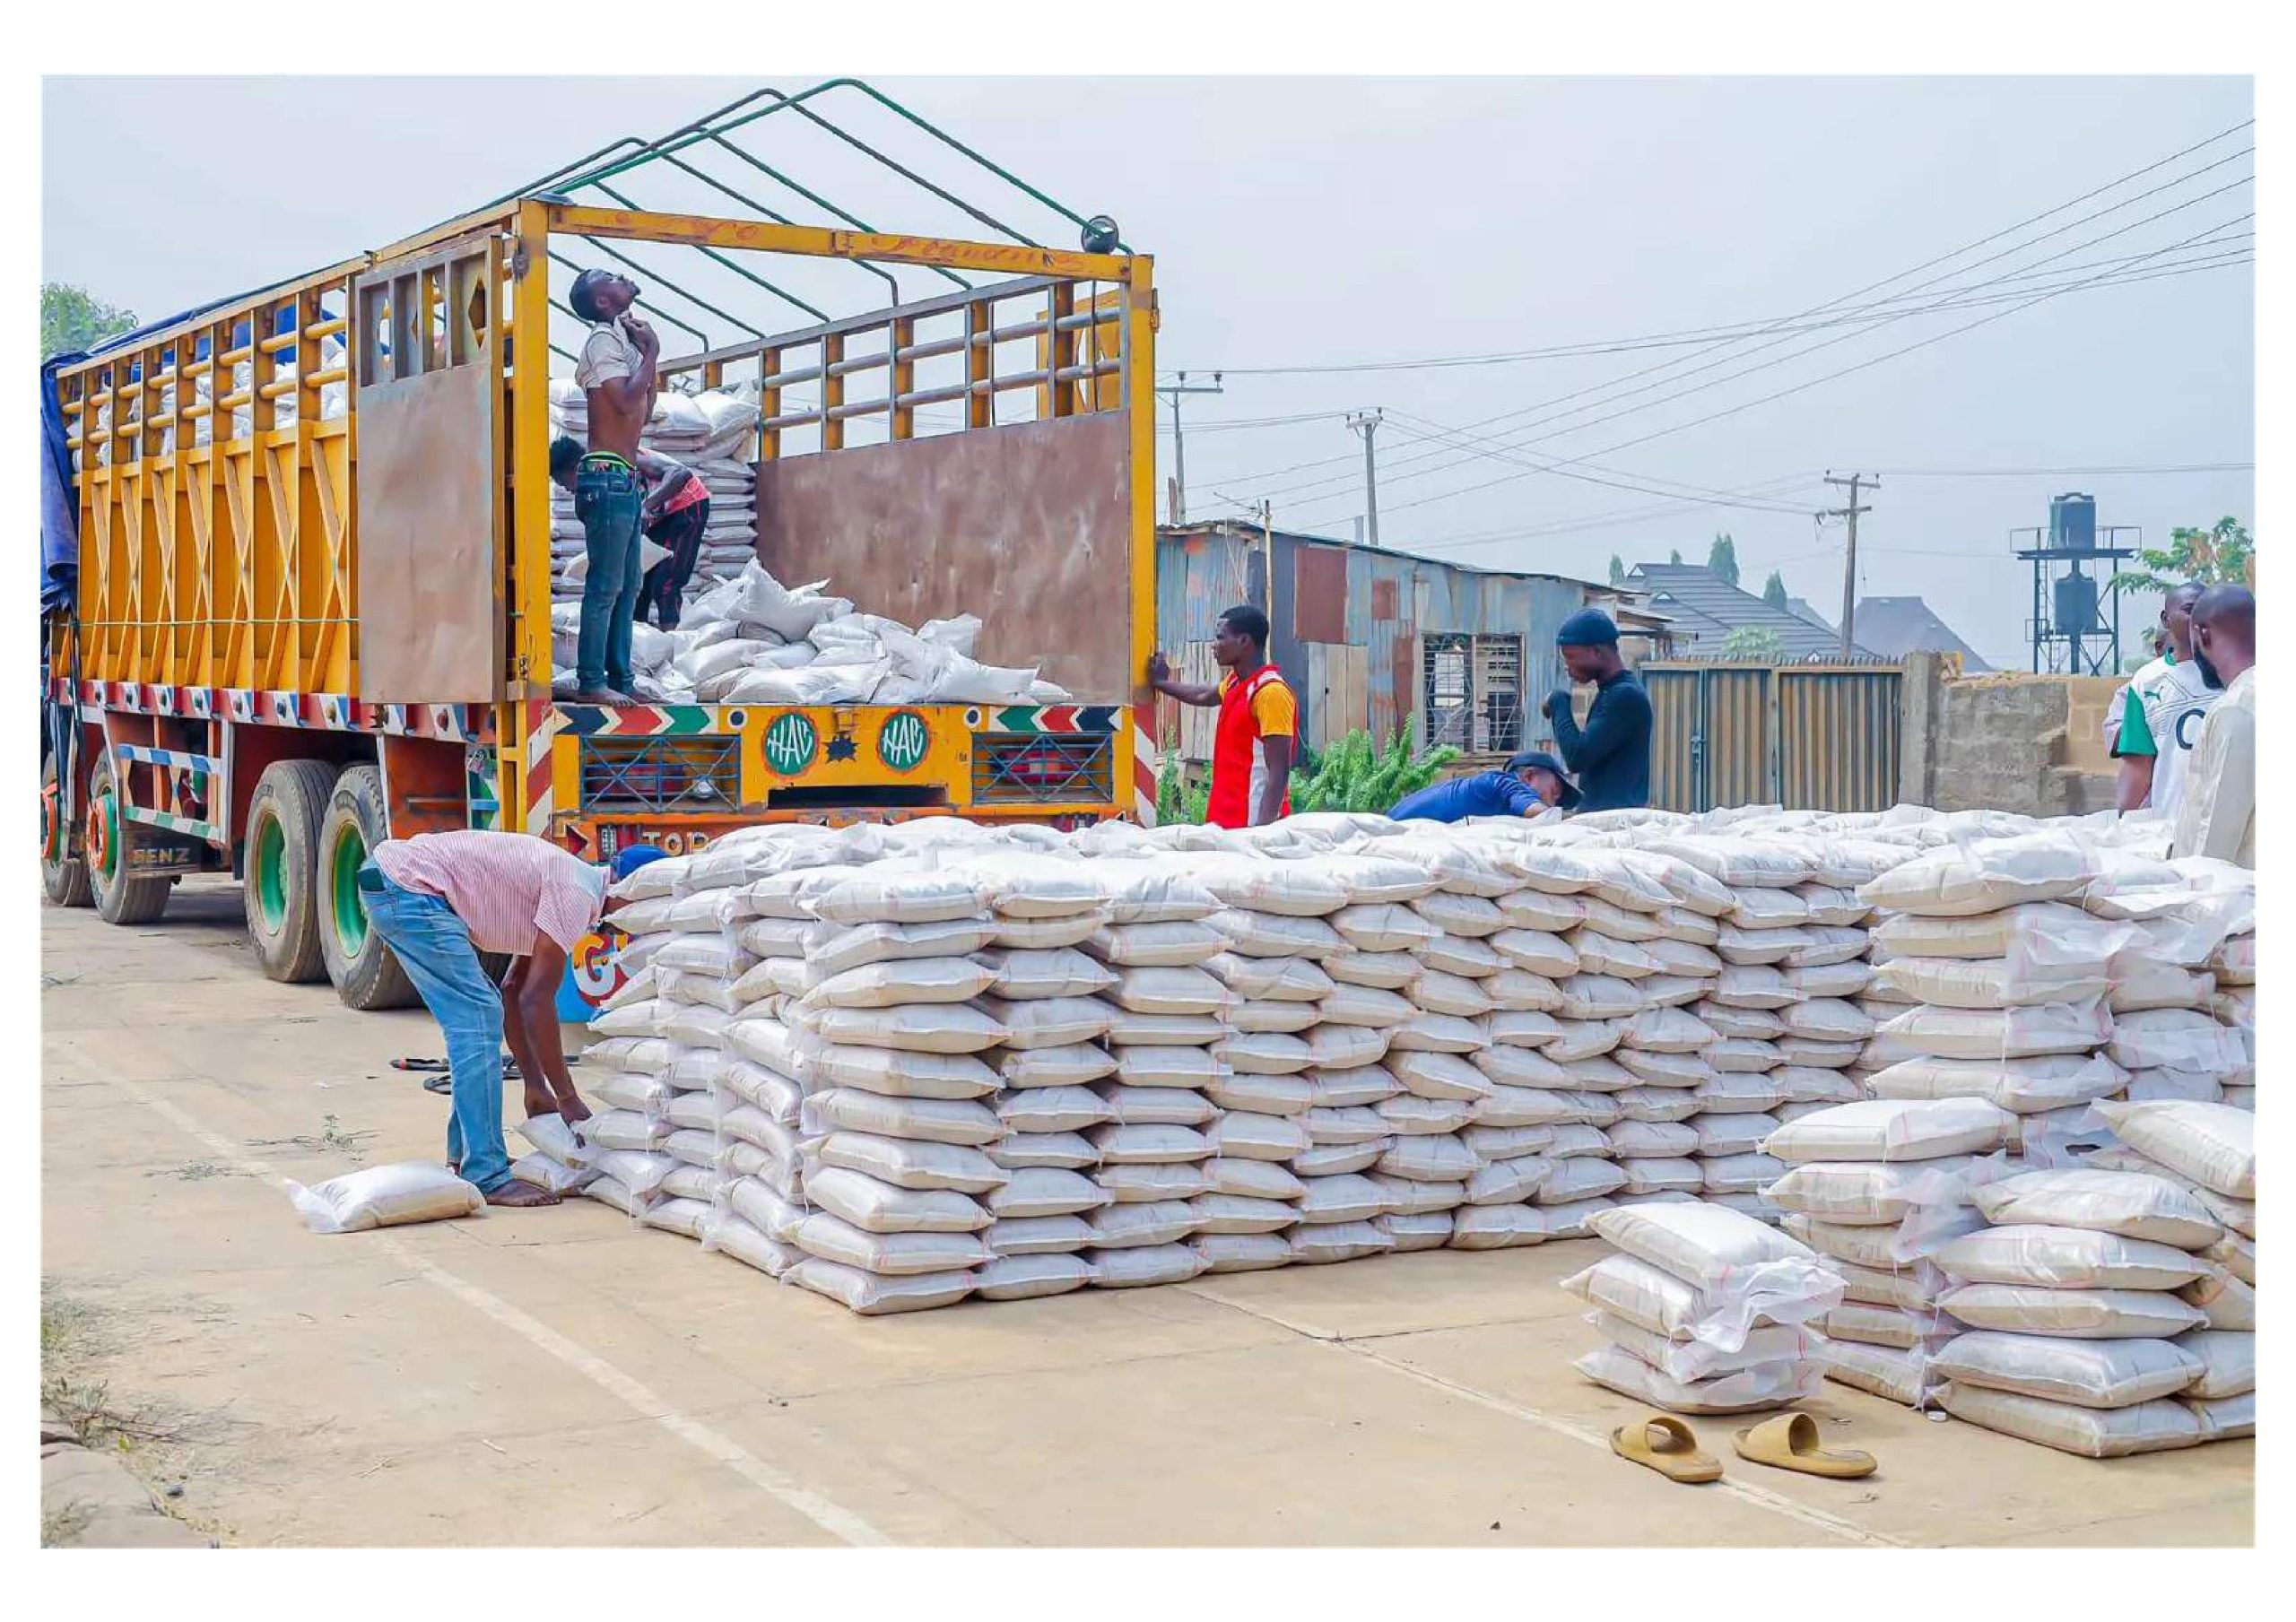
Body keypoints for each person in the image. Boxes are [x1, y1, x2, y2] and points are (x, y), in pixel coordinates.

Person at [357, 829, 628, 1207]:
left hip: (395, 881)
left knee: (480, 1013)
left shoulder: (574, 886)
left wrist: (536, 1086)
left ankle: (468, 1155)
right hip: (410, 888)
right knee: (477, 1018)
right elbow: (536, 1000)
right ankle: (486, 1173)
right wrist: (566, 1097)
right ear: (626, 889)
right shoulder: (577, 895)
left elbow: (515, 988)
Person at [568, 266, 661, 704]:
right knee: (606, 586)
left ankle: (621, 680)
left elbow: (645, 403)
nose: (622, 277)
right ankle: (592, 681)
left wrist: (648, 355)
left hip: (622, 480)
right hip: (606, 478)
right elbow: (625, 401)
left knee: (629, 585)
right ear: (602, 301)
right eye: (610, 277)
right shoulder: (602, 341)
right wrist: (653, 351)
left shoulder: (621, 340)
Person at [1149, 605, 1297, 828]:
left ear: (1244, 642)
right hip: (1226, 820)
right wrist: (1161, 683)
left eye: (1220, 637)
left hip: (1252, 823)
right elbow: (1203, 695)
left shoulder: (1270, 692)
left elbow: (1279, 771)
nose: (1213, 645)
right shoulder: (1235, 683)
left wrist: (1262, 834)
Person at [551, 437, 710, 629]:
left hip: (687, 505)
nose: (566, 490)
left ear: (576, 468)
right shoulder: (590, 494)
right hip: (656, 519)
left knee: (665, 584)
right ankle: (637, 646)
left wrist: (647, 507)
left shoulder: (619, 460)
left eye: (563, 482)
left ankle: (674, 647)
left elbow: (680, 473)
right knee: (635, 585)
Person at [2111, 582, 2217, 818]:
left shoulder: (2236, 671)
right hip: (2171, 825)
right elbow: (2138, 765)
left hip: (2231, 824)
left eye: (2208, 609)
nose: (2200, 617)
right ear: (2166, 619)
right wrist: (2119, 824)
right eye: (2190, 609)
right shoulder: (2145, 681)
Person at [2171, 584, 2255, 868]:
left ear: (2203, 634)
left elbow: (2217, 839)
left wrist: (2190, 893)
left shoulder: (2237, 708)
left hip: (2237, 900)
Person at [1543, 607, 1653, 812]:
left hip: (1616, 823)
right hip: (1605, 817)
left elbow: (1578, 756)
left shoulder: (1624, 696)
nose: (1567, 667)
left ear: (1597, 652)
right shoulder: (1610, 692)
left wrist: (1559, 703)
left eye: (1571, 657)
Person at [1388, 750, 1580, 822]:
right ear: (1528, 776)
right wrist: (1578, 821)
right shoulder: (1505, 783)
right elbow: (1540, 814)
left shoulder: (1489, 787)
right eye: (1555, 791)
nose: (1554, 802)